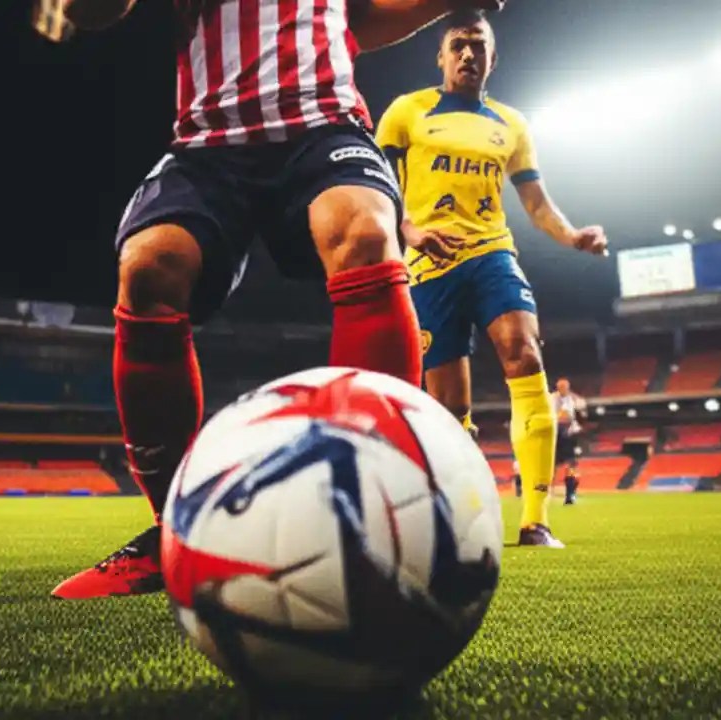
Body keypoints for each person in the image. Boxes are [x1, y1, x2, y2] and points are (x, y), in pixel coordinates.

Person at [44, 0, 504, 599]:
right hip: (210, 142)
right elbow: (95, 14)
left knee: (365, 232)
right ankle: (175, 532)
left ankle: (380, 511)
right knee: (148, 267)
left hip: (322, 125)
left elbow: (356, 17)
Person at [374, 10, 608, 549]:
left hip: (491, 253)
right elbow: (379, 187)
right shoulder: (406, 112)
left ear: (493, 58)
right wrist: (408, 229)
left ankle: (535, 520)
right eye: (458, 44)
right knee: (449, 411)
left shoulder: (512, 124)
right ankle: (460, 515)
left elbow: (535, 202)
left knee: (525, 353)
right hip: (429, 268)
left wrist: (573, 237)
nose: (467, 54)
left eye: (478, 45)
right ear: (440, 55)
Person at [551, 377, 587, 505]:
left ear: (568, 387)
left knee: (571, 465)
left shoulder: (575, 400)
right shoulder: (551, 399)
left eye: (565, 387)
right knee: (550, 465)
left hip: (570, 435)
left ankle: (570, 495)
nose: (562, 389)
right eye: (560, 387)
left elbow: (579, 416)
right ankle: (547, 492)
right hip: (555, 435)